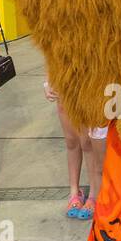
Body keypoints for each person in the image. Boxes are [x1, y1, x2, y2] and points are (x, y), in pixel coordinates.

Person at [44, 80, 106, 220]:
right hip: (64, 85)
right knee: (71, 142)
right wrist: (47, 82)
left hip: (86, 83)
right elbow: (51, 58)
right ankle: (74, 192)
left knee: (86, 143)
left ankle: (93, 194)